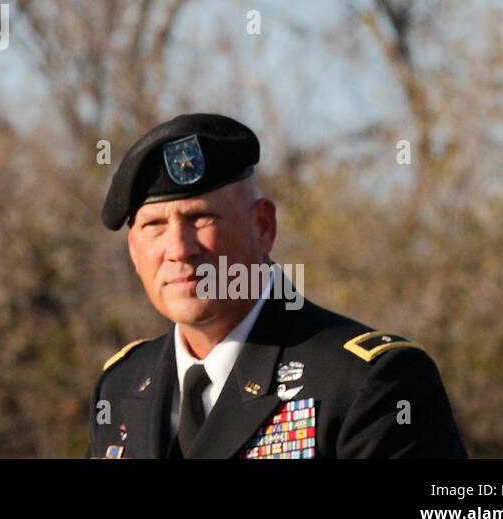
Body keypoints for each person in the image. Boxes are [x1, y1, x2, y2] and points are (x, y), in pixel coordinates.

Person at [86, 113, 466, 458]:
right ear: (134, 251)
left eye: (201, 218)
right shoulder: (122, 386)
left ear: (262, 227)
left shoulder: (369, 383)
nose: (179, 250)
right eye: (154, 226)